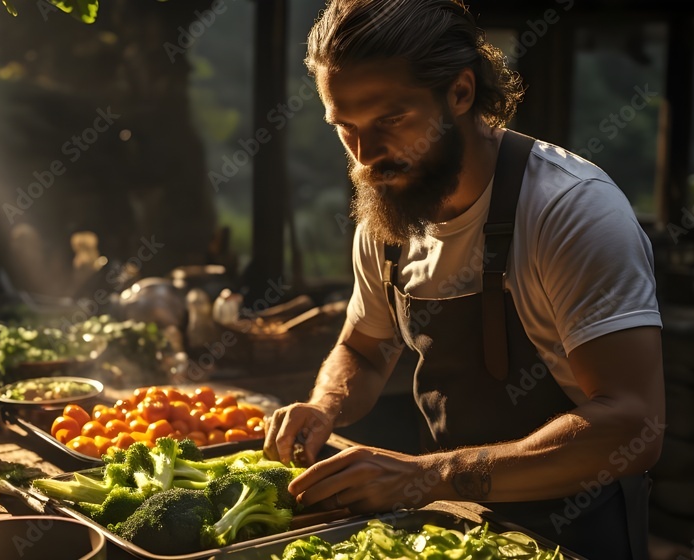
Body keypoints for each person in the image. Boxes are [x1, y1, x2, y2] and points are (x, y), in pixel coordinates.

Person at [262, 1, 665, 558]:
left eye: (391, 121)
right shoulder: (388, 212)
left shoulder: (569, 209)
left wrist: (424, 475)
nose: (364, 157)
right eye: (345, 128)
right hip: (454, 528)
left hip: (575, 526)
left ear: (460, 92)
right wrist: (323, 406)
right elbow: (365, 347)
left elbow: (632, 424)